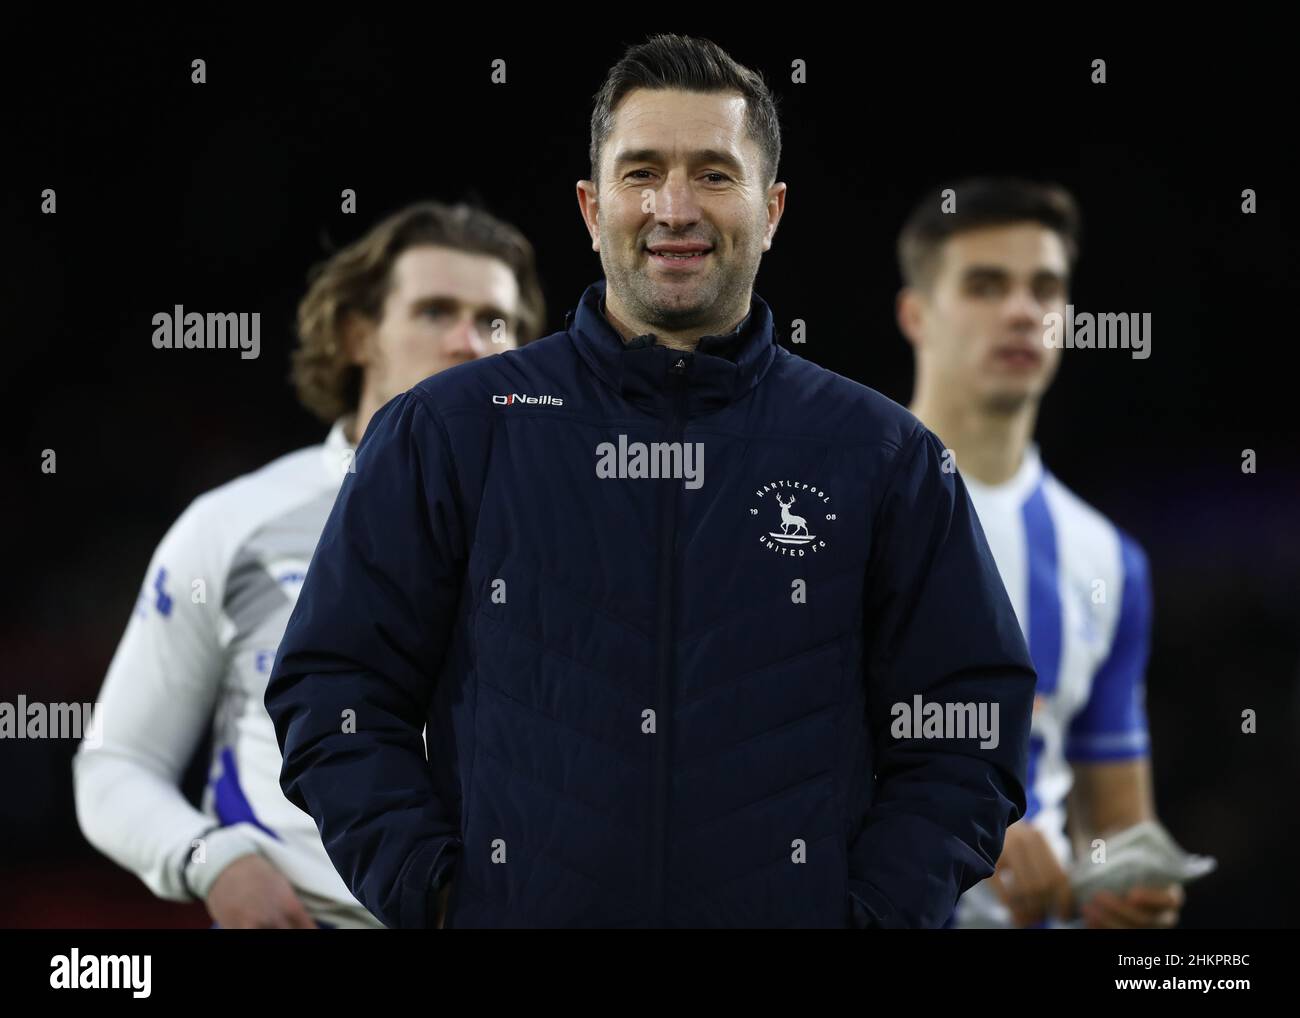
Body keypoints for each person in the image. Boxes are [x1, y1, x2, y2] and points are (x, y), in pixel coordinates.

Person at [266, 34, 1036, 929]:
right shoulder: (450, 432)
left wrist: (867, 915)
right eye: (642, 174)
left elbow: (966, 726)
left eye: (714, 173)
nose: (674, 207)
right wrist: (436, 895)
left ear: (772, 208)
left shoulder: (884, 456)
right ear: (592, 210)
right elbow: (335, 687)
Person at [74, 201, 545, 928]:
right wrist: (211, 859)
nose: (468, 343)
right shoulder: (234, 525)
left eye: (496, 321)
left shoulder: (569, 531)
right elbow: (113, 765)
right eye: (434, 312)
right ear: (358, 333)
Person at [897, 178, 1182, 928]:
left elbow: (1115, 827)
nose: (1023, 311)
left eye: (1045, 288)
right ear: (916, 314)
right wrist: (964, 826)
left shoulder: (1110, 561)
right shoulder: (836, 508)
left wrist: (1126, 888)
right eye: (986, 286)